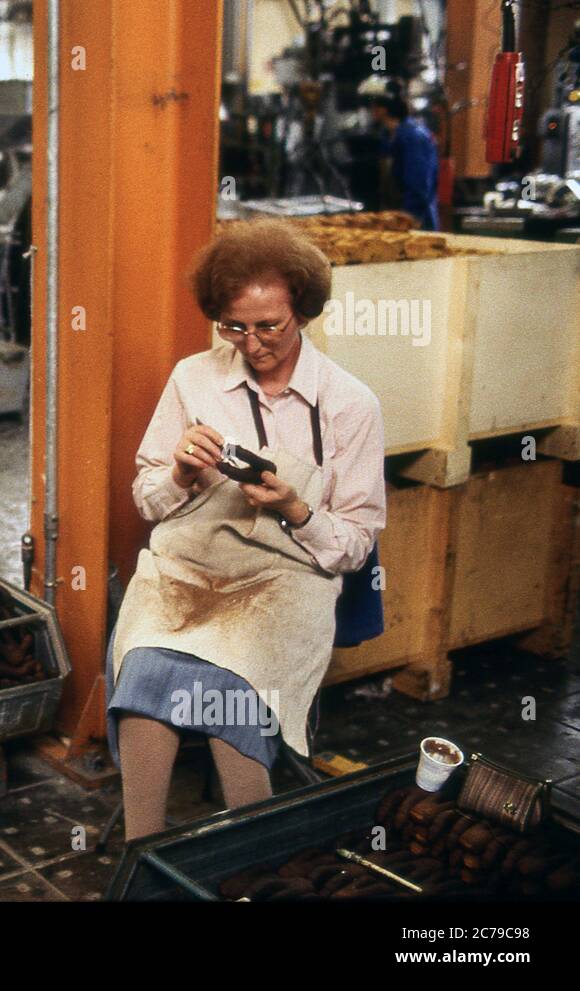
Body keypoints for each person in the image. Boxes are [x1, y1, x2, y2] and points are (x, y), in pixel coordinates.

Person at [106, 219, 386, 841]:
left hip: (287, 579)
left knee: (233, 685)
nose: (251, 343)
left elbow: (357, 542)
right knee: (146, 670)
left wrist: (295, 508)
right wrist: (178, 471)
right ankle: (142, 851)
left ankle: (250, 855)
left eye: (269, 327)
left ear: (305, 313)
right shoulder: (194, 378)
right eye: (234, 326)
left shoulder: (349, 404)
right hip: (187, 567)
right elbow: (148, 501)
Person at [370, 94, 440, 230]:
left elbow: (419, 183)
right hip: (395, 216)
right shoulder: (389, 135)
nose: (371, 110)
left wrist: (410, 217)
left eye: (374, 106)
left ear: (383, 110)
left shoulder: (413, 136)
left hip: (415, 219)